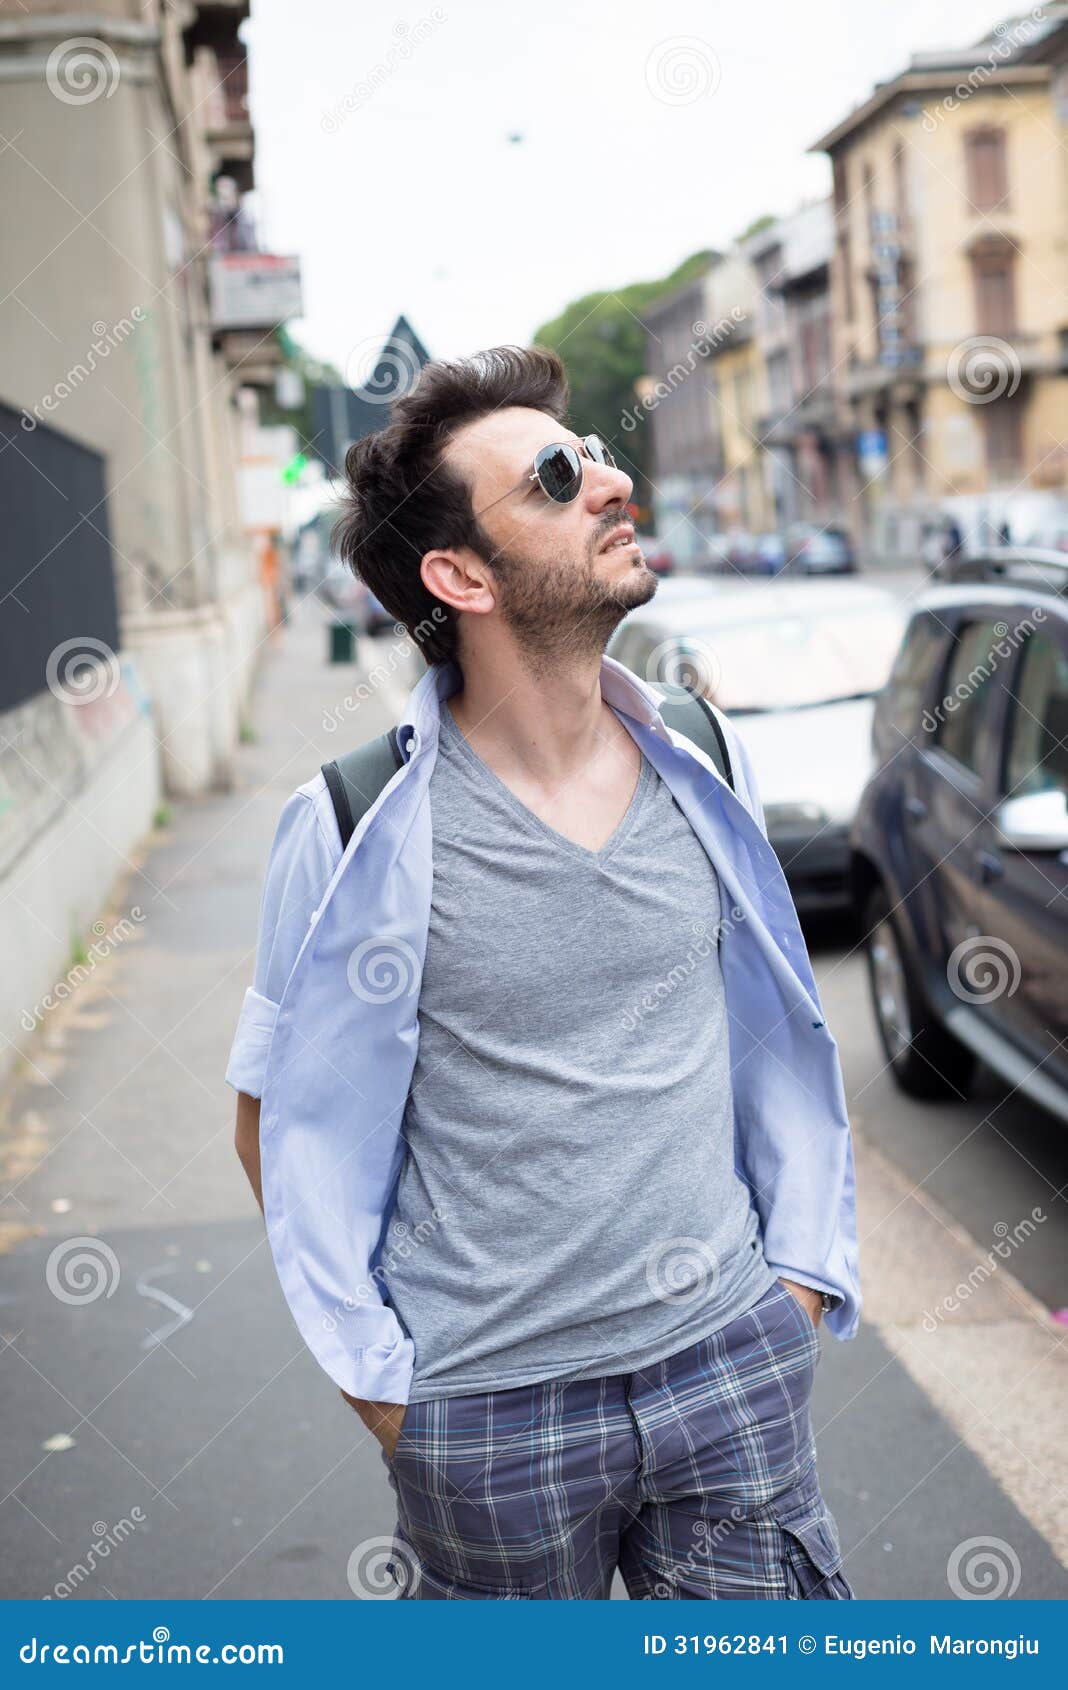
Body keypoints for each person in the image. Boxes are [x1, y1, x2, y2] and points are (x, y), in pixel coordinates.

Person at [228, 346, 860, 1600]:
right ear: (460, 573)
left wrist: (793, 1286)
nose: (613, 482)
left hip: (730, 1358)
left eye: (597, 458)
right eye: (560, 477)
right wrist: (391, 1396)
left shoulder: (696, 748)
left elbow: (769, 1029)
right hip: (487, 1415)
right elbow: (270, 1122)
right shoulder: (354, 822)